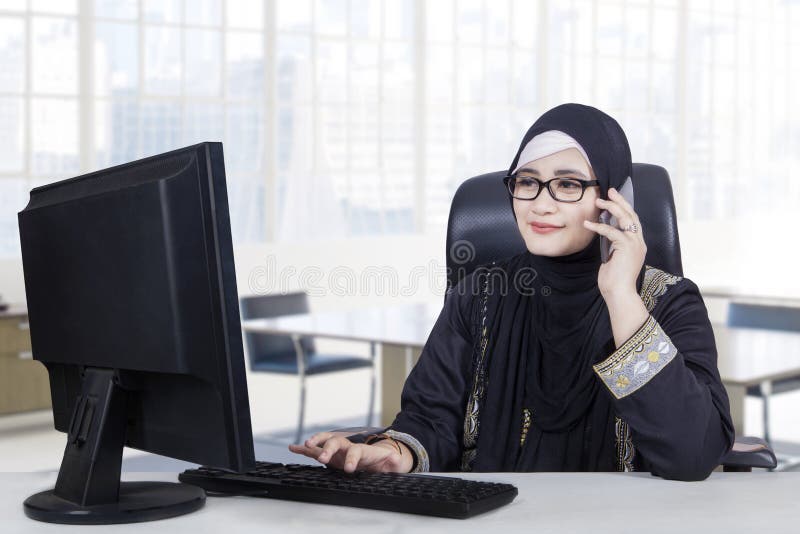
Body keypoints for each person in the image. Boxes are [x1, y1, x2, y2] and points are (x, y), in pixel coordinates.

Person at [288, 103, 734, 481]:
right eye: (526, 181)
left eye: (567, 184)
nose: (540, 203)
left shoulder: (667, 301)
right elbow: (430, 419)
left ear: (617, 199)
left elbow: (692, 452)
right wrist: (395, 453)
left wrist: (621, 296)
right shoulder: (478, 297)